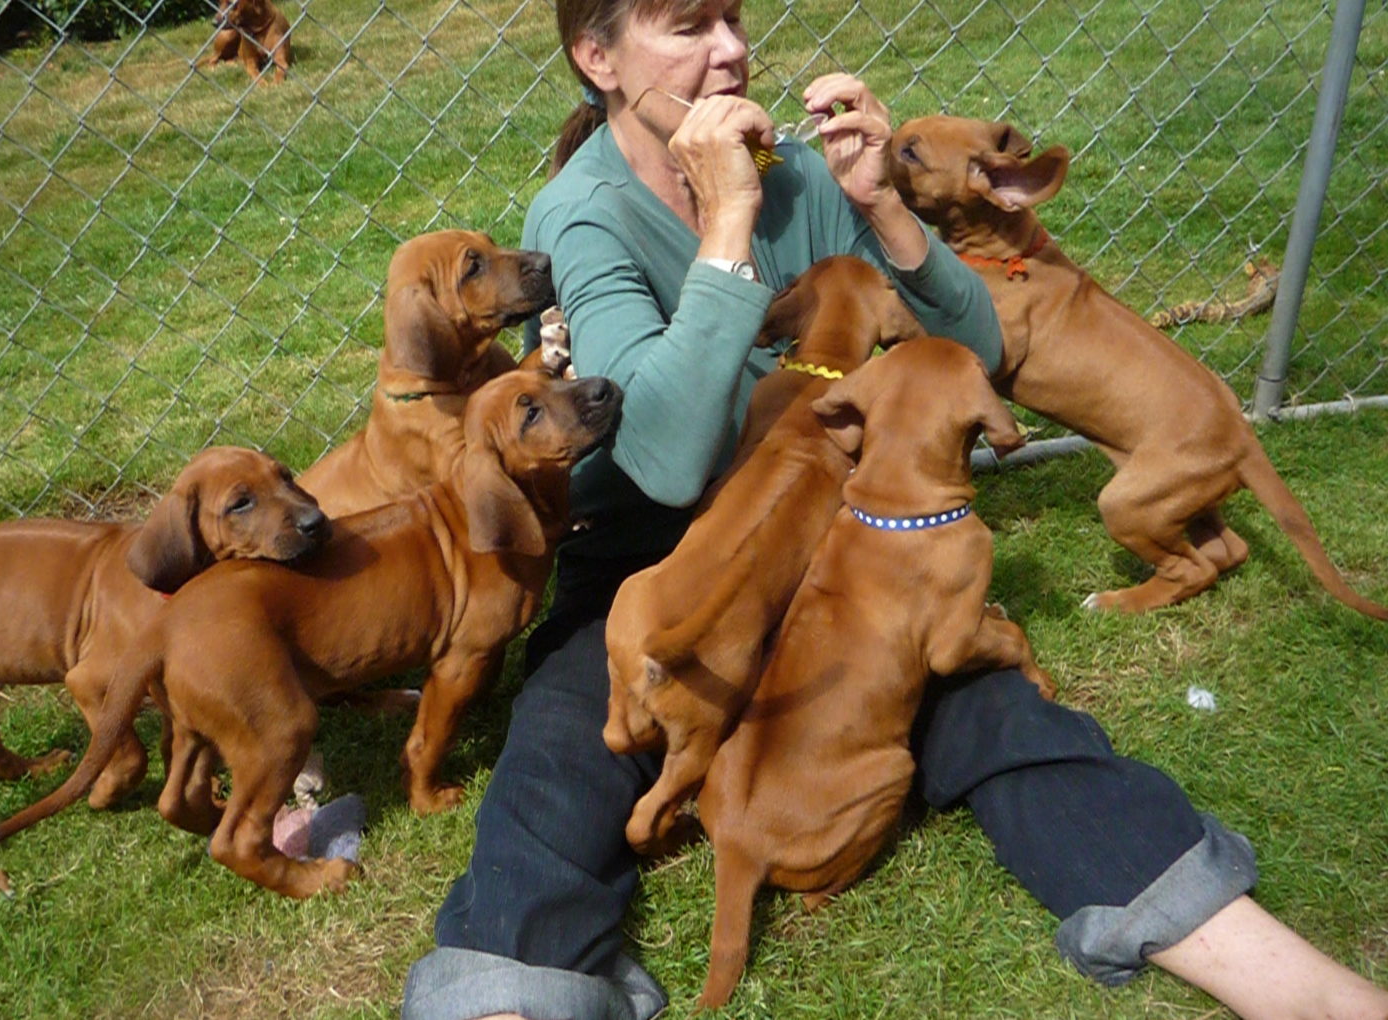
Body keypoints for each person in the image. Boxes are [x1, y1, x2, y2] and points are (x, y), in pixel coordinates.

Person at [400, 2, 1388, 1018]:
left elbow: (976, 354)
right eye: (689, 26)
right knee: (566, 742)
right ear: (597, 58)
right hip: (655, 547)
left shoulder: (792, 173)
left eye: (733, 18)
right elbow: (664, 460)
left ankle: (1295, 985)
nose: (732, 50)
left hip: (832, 527)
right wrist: (727, 225)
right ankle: (507, 999)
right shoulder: (585, 212)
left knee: (988, 705)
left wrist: (880, 208)